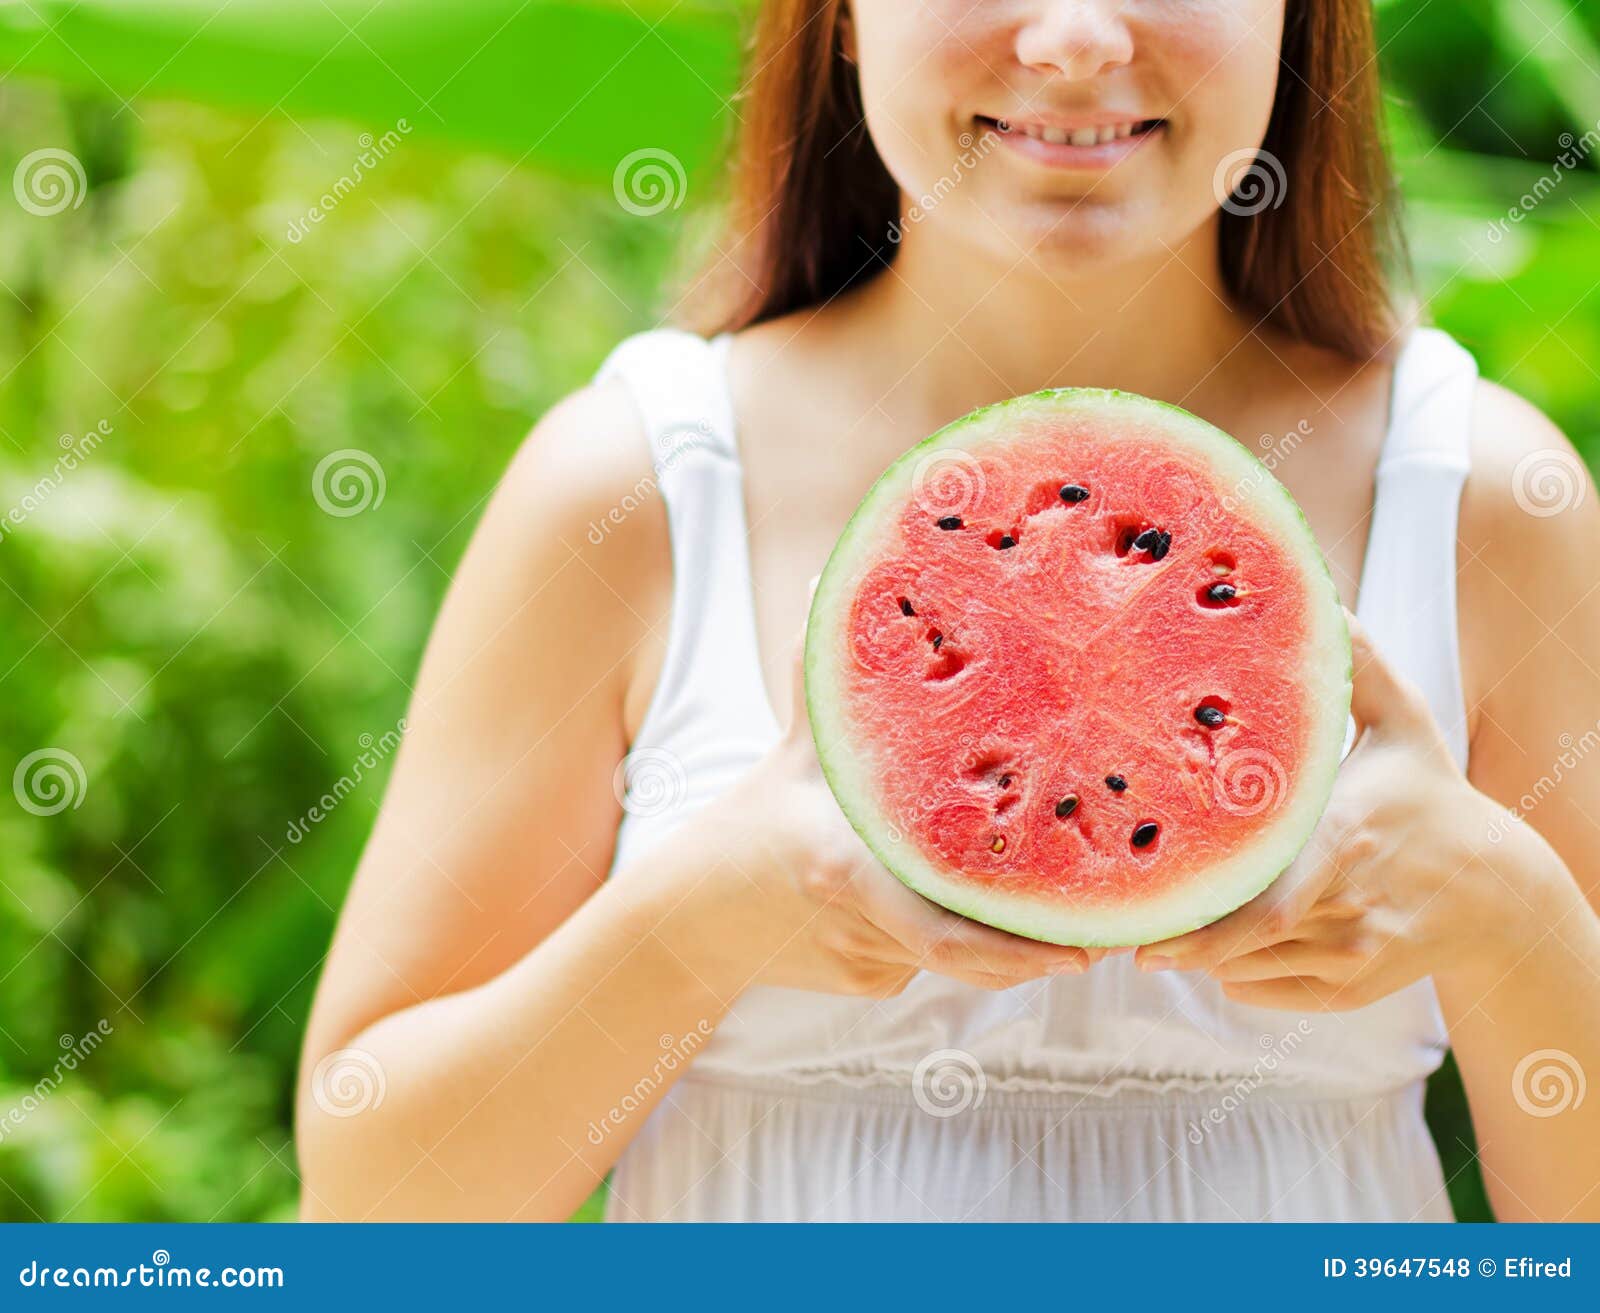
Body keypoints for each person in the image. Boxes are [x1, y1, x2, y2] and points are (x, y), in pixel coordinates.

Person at [297, 0, 1600, 1222]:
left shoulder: (1485, 498)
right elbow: (373, 1201)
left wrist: (1509, 919)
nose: (1078, 38)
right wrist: (698, 925)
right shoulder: (639, 488)